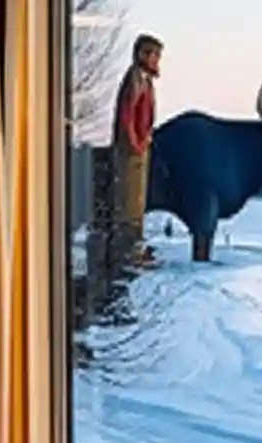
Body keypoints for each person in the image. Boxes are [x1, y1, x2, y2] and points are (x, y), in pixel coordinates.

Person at [111, 33, 163, 272]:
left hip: (139, 148)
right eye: (154, 55)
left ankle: (134, 249)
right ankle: (128, 253)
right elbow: (126, 114)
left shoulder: (145, 80)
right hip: (131, 150)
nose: (157, 61)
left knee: (137, 201)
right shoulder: (135, 78)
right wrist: (134, 142)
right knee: (130, 202)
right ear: (143, 54)